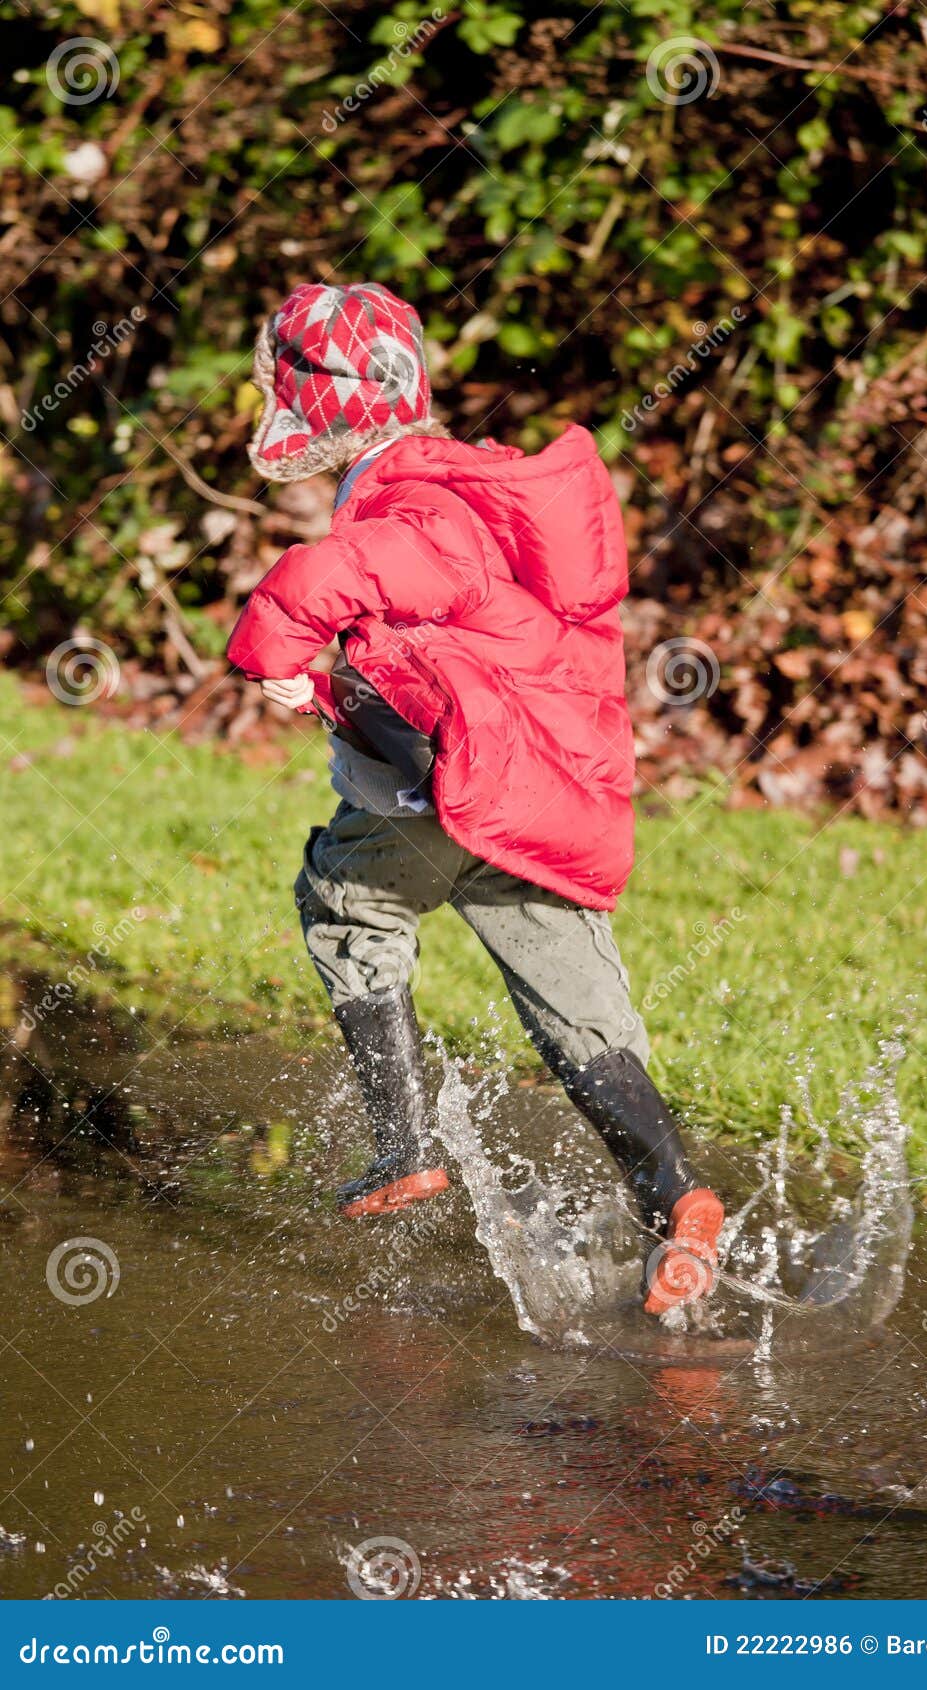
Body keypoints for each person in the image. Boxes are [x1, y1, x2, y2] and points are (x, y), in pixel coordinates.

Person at [226, 281, 724, 1317]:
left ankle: (402, 1147)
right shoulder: (471, 486)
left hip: (434, 795)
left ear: (326, 400)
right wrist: (319, 683)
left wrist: (267, 643)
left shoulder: (405, 497)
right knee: (576, 1015)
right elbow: (448, 646)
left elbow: (363, 570)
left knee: (346, 901)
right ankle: (675, 1201)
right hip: (528, 797)